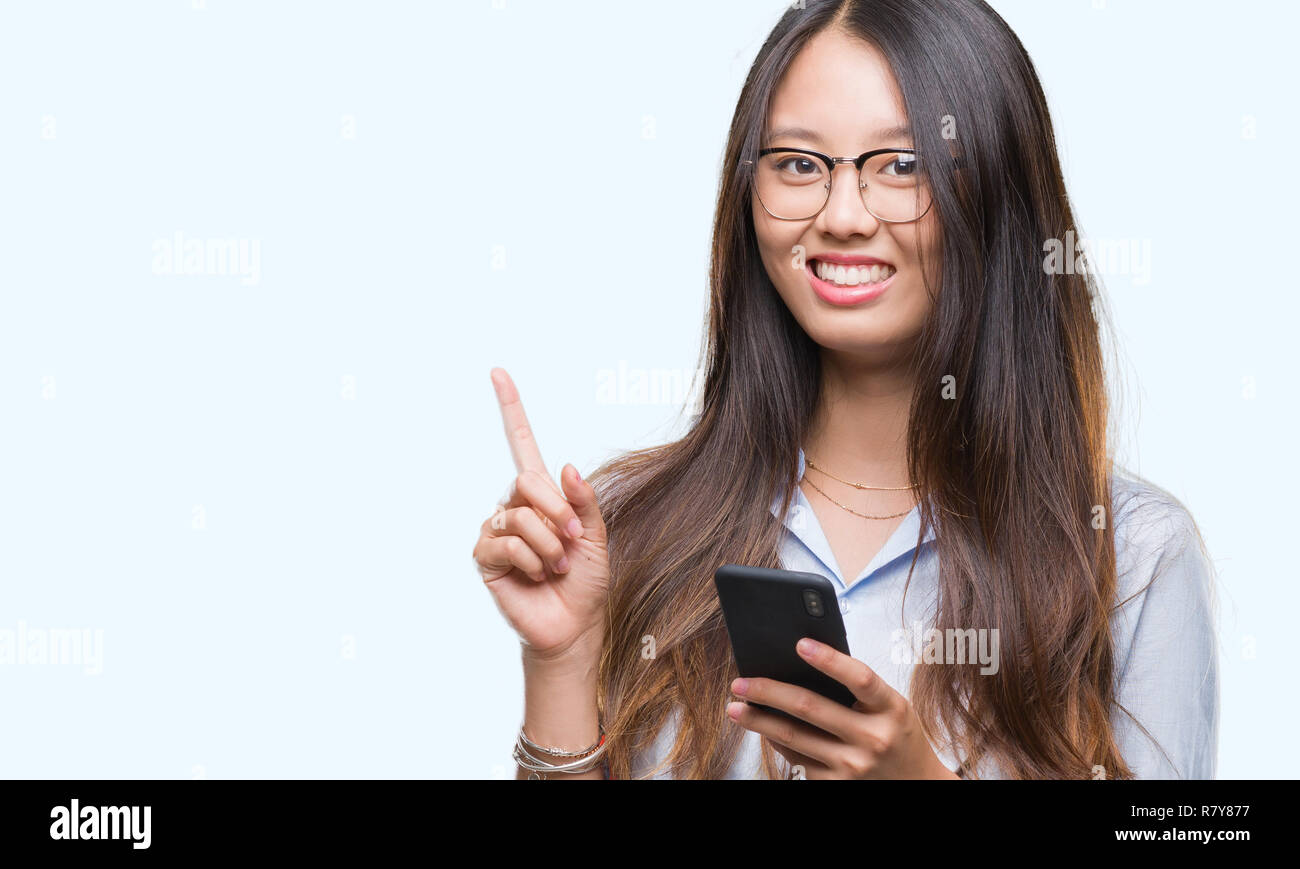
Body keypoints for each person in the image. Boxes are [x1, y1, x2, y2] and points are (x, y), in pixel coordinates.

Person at [472, 0, 1218, 780]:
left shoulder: (1131, 557)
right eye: (798, 163)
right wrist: (560, 662)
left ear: (998, 187)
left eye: (902, 165)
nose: (842, 215)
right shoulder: (625, 530)